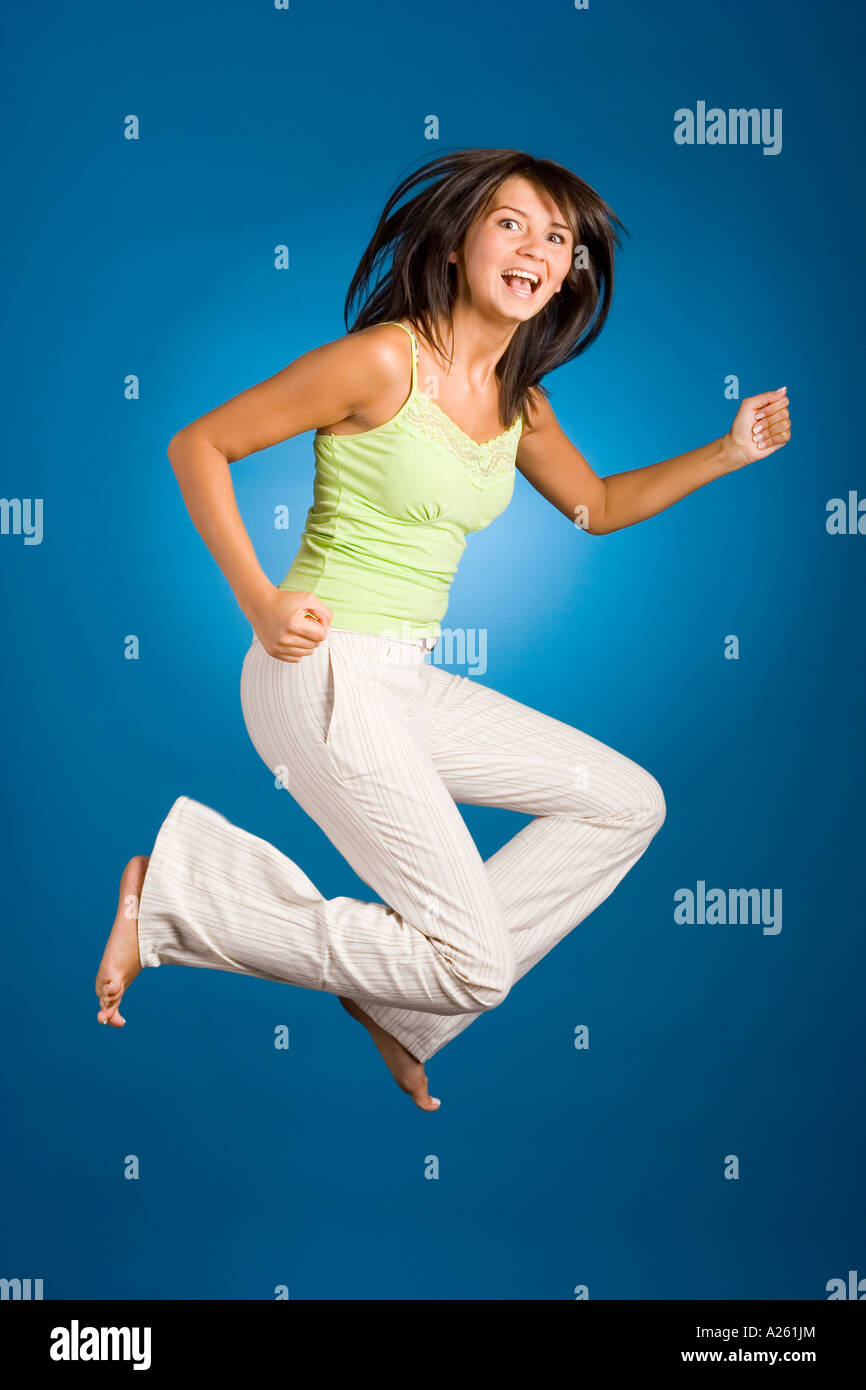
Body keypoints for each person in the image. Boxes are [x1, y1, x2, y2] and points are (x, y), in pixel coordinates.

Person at [94, 148, 791, 1111]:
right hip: (322, 667)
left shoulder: (519, 400)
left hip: (407, 682)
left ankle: (404, 1007)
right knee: (481, 968)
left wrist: (726, 451)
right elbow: (199, 444)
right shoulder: (384, 360)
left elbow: (594, 504)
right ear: (462, 240)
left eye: (560, 239)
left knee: (627, 804)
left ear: (568, 275)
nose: (537, 250)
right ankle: (174, 893)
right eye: (513, 223)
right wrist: (259, 600)